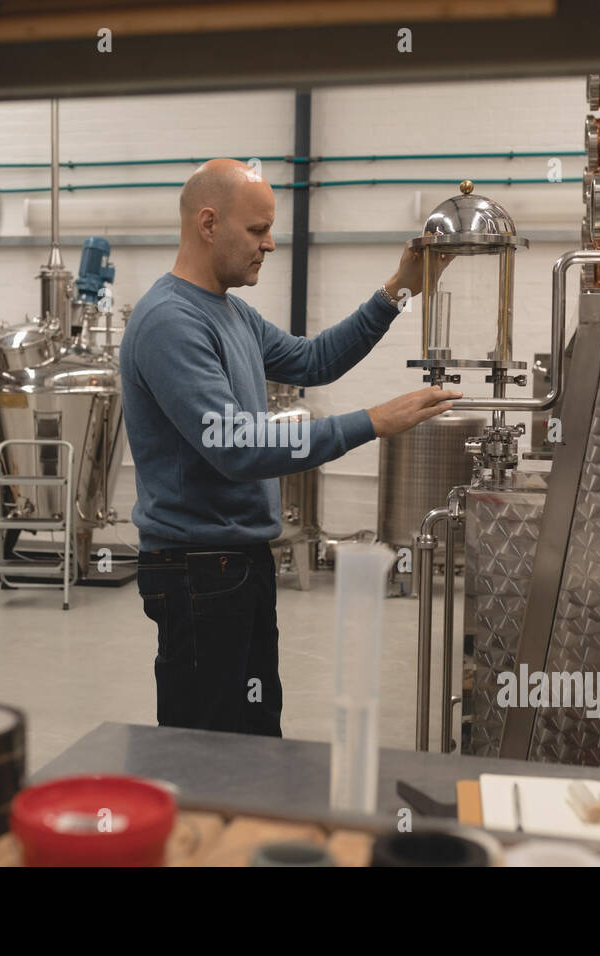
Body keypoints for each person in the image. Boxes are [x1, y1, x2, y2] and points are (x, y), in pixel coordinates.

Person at [119, 158, 459, 737]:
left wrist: (403, 286)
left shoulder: (230, 313)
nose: (270, 244)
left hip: (236, 563)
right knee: (210, 745)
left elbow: (313, 360)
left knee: (252, 737)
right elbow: (238, 448)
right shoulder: (170, 322)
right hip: (198, 571)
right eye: (257, 230)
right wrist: (373, 421)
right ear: (208, 224)